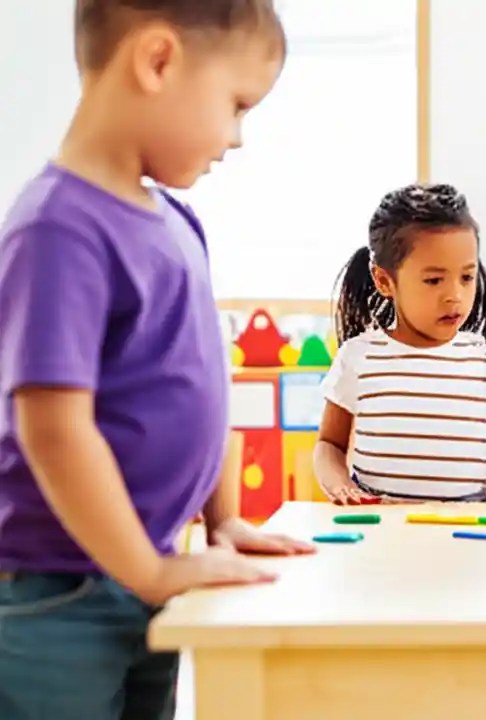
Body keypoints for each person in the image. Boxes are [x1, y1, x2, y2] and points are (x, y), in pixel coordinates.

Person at [0, 2, 313, 718]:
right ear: (158, 61)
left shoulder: (175, 221)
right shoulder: (58, 226)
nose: (236, 138)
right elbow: (53, 428)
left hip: (146, 575)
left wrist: (224, 519)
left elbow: (202, 383)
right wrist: (151, 571)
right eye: (235, 105)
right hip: (60, 595)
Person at [313, 183, 486, 506]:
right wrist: (340, 484)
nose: (455, 295)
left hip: (462, 537)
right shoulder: (360, 357)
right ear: (384, 281)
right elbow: (329, 444)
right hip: (381, 533)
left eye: (467, 277)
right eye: (434, 280)